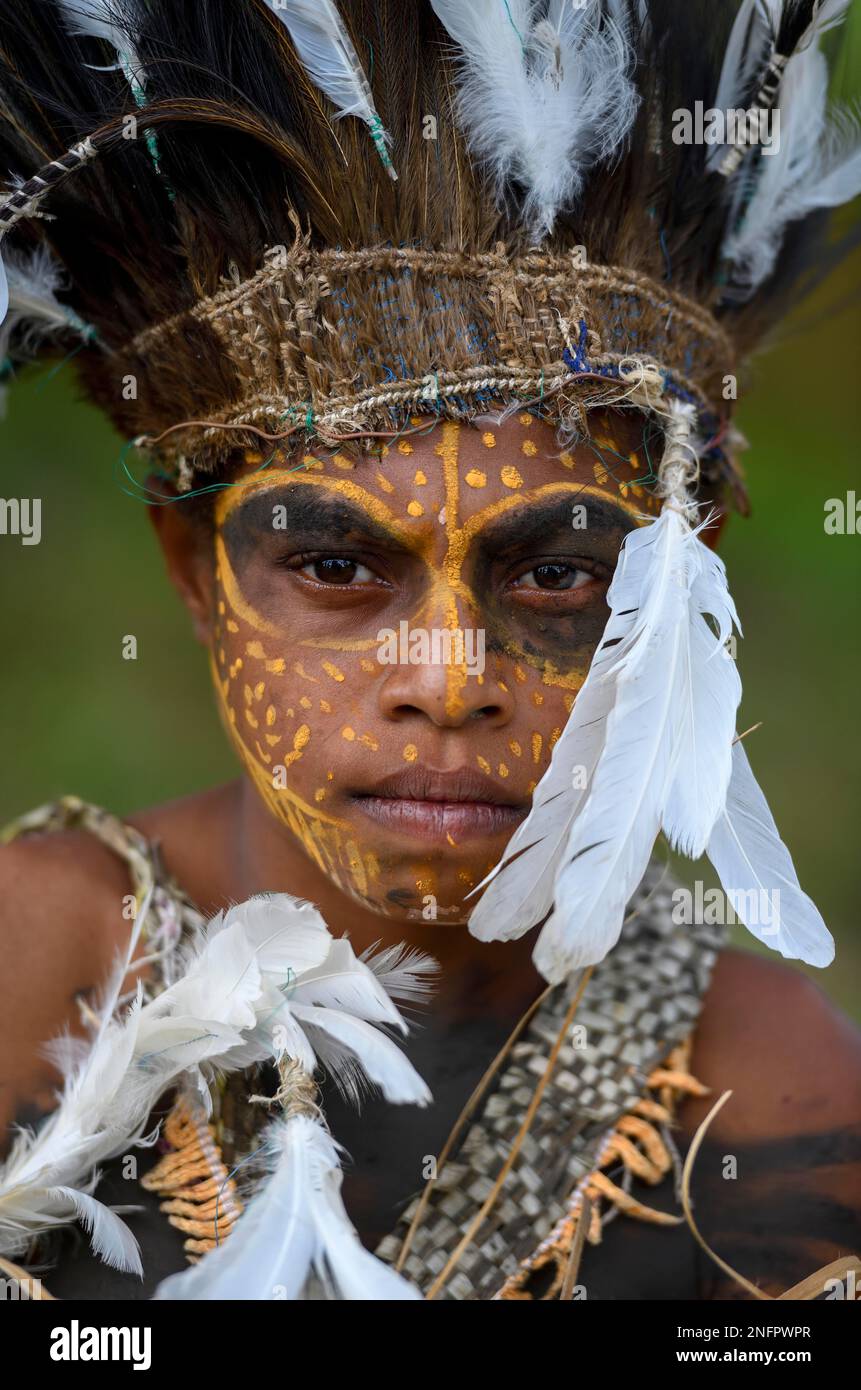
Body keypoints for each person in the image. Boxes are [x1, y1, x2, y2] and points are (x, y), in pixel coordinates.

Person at [0, 0, 859, 1301]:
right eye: (336, 565)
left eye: (559, 570)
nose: (451, 679)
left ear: (676, 590)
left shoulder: (761, 1080)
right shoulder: (35, 963)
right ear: (194, 569)